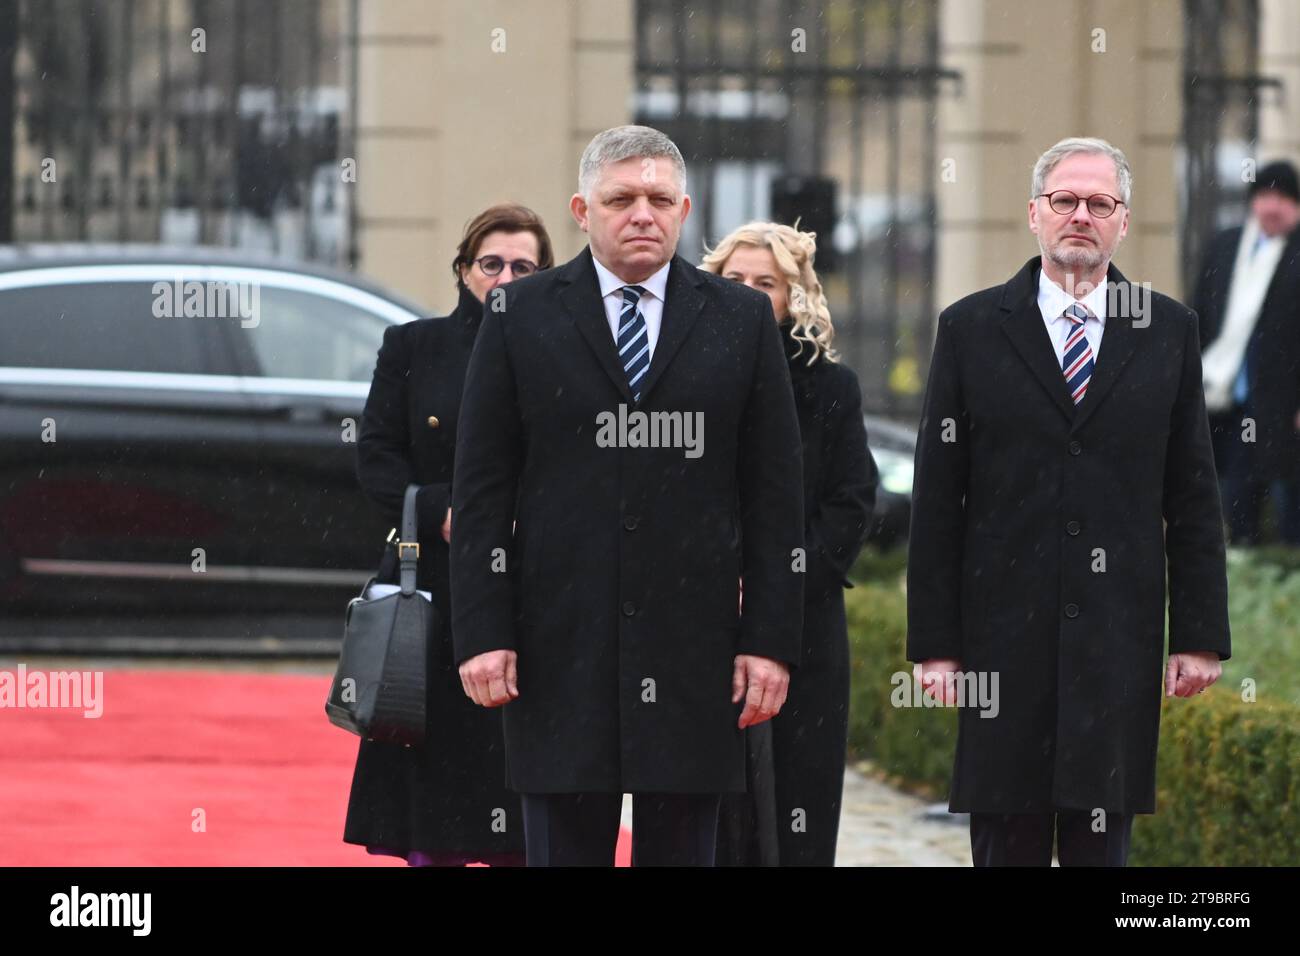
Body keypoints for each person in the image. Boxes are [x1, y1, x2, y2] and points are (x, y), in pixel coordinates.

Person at [449, 125, 806, 867]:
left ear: (684, 209)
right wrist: (483, 630)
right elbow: (482, 489)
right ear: (583, 209)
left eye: (658, 199)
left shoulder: (739, 321)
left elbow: (774, 494)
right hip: (557, 649)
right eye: (621, 199)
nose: (642, 213)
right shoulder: (520, 315)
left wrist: (769, 640)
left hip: (694, 653)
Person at [906, 137, 1231, 867]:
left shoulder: (1168, 330)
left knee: (1099, 848)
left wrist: (1201, 633)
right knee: (1005, 843)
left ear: (1122, 221)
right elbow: (937, 498)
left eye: (1100, 203)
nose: (1081, 215)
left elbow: (1193, 493)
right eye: (1065, 201)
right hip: (1000, 641)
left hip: (1116, 640)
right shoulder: (970, 328)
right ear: (1034, 213)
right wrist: (935, 645)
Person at [343, 202, 555, 867]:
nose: (504, 278)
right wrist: (442, 511)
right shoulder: (413, 347)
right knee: (432, 796)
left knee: (523, 789)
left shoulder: (564, 355)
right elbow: (376, 455)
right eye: (491, 263)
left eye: (523, 266)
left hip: (533, 589)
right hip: (431, 586)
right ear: (464, 269)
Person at [702, 222, 877, 866]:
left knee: (797, 810)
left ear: (793, 296)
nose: (748, 294)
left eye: (765, 284)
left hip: (804, 623)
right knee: (704, 809)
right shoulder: (680, 383)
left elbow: (852, 504)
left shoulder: (831, 388)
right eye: (735, 281)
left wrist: (778, 579)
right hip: (700, 621)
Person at [1194, 159, 1300, 545]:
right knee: (1232, 495)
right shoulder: (1225, 246)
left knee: (1286, 501)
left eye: (1283, 199)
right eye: (1265, 196)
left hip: (1281, 404)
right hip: (1223, 395)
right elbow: (1200, 313)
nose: (1272, 207)